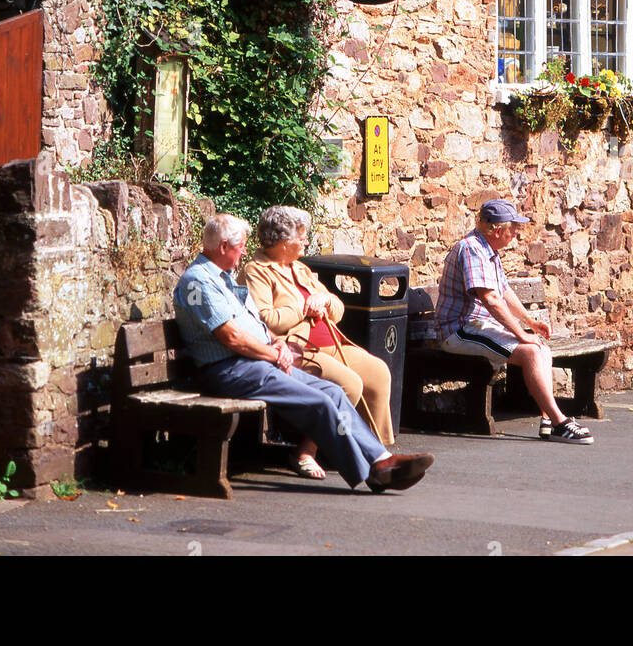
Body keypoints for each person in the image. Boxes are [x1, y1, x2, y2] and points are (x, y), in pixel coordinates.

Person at [173, 213, 434, 491]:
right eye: (241, 245)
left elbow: (257, 325)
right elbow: (232, 337)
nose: (245, 250)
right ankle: (372, 472)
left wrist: (276, 344)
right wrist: (274, 353)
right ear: (224, 247)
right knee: (320, 402)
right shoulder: (197, 282)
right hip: (230, 369)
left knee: (332, 393)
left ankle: (382, 458)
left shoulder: (223, 279)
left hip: (255, 362)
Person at [242, 205, 394, 479]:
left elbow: (337, 309)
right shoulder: (257, 270)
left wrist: (324, 300)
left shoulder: (300, 269)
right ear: (283, 240)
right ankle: (305, 451)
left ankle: (374, 450)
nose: (305, 241)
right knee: (349, 384)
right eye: (301, 236)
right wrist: (304, 307)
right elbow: (265, 318)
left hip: (333, 343)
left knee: (378, 372)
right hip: (296, 348)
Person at [435, 198, 594, 444]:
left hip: (478, 326)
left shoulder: (488, 250)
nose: (515, 235)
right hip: (459, 330)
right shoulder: (472, 249)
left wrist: (529, 322)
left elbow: (504, 292)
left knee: (540, 347)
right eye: (513, 229)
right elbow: (491, 299)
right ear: (498, 230)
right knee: (530, 352)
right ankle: (560, 422)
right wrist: (521, 334)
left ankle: (548, 420)